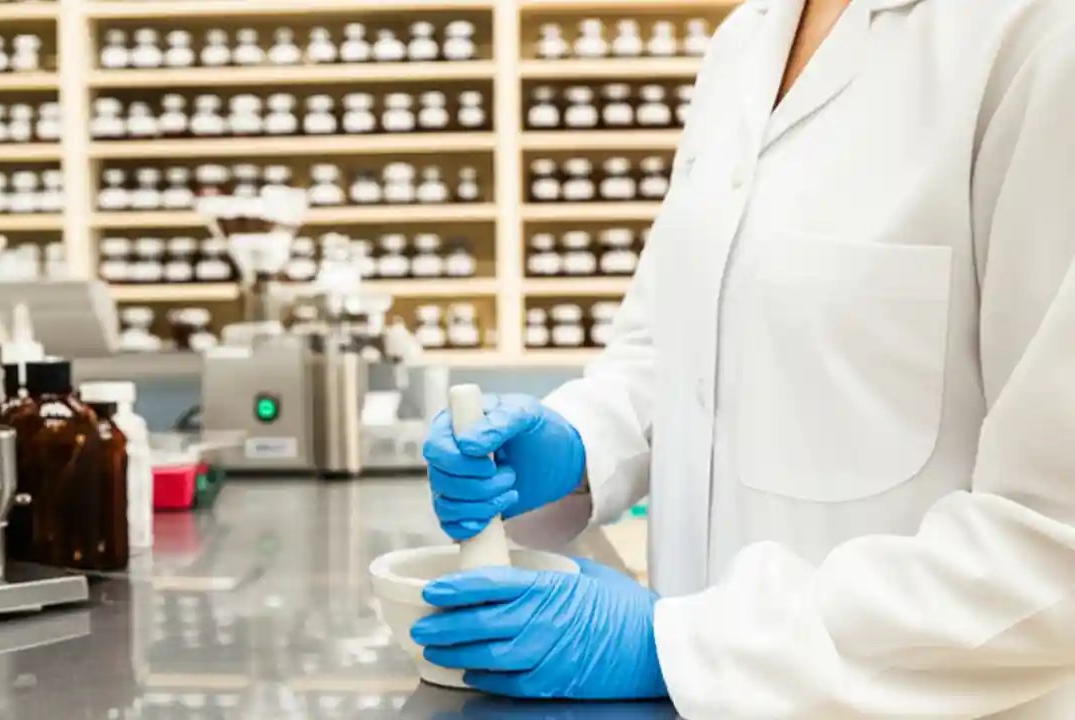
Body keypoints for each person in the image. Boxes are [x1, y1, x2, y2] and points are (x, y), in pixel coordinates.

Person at [412, 0, 1075, 716]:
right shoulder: (747, 38)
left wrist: (681, 645)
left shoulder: (1040, 33)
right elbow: (677, 344)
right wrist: (580, 444)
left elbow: (1056, 546)